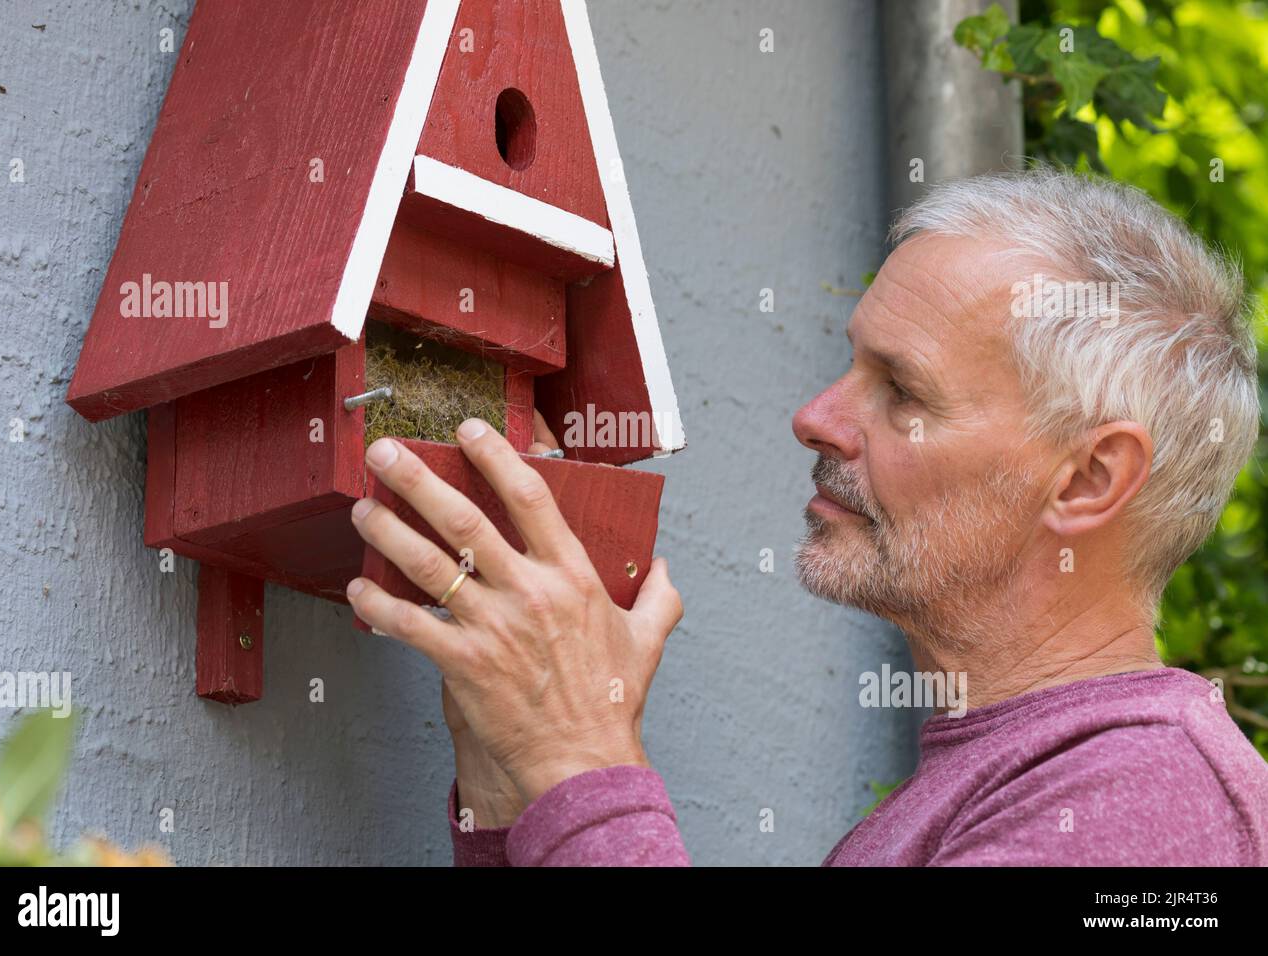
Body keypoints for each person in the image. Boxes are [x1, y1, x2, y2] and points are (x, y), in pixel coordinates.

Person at [345, 169, 1268, 866]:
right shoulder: (1022, 785)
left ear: (1087, 479)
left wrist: (578, 762)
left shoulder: (1154, 808)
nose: (816, 417)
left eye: (902, 389)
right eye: (852, 363)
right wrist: (518, 798)